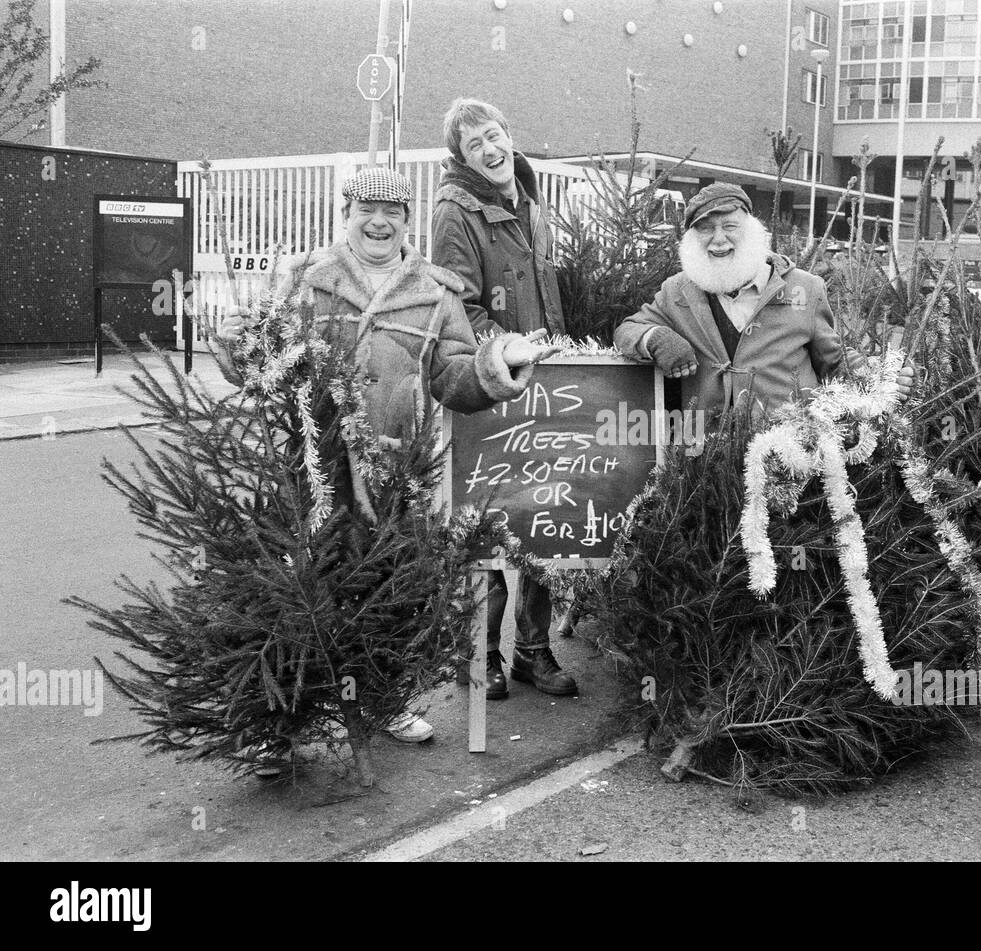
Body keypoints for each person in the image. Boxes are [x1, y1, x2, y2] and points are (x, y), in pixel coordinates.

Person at [215, 166, 558, 756]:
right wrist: (234, 341)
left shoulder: (437, 291)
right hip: (313, 469)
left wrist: (497, 362)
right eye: (366, 209)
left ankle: (385, 701)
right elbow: (263, 367)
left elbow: (453, 375)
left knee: (387, 591)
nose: (379, 222)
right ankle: (281, 727)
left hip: (396, 472)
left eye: (392, 212)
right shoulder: (304, 280)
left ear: (406, 220)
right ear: (346, 213)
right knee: (301, 590)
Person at [427, 98, 576, 700]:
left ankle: (534, 653)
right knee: (490, 519)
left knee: (545, 513)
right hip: (491, 380)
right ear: (460, 158)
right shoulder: (453, 210)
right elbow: (456, 302)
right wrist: (504, 347)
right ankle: (484, 654)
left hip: (545, 377)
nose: (489, 151)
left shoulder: (529, 199)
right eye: (473, 146)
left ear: (509, 135)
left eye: (494, 136)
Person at [613, 182, 913, 422]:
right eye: (705, 228)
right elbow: (628, 330)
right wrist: (655, 337)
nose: (718, 239)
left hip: (788, 458)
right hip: (702, 466)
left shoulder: (805, 289)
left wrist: (879, 374)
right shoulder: (677, 291)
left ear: (752, 229)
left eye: (730, 226)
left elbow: (834, 363)